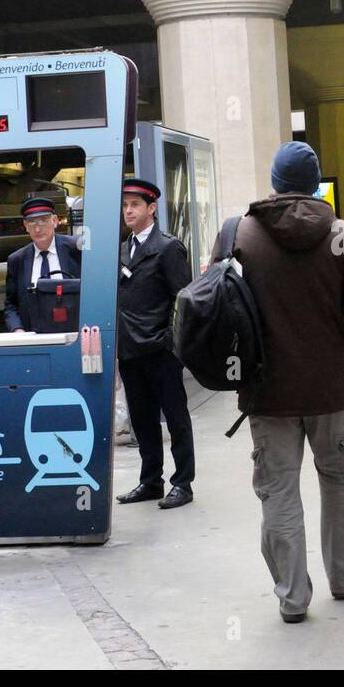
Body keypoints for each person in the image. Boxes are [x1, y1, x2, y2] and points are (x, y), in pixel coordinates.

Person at [216, 141, 344, 624]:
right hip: (331, 389)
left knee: (279, 491)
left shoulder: (239, 233)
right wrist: (339, 353)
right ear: (315, 186)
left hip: (267, 393)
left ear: (274, 181)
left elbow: (221, 309)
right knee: (340, 480)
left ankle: (292, 598)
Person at [115, 178, 196, 510]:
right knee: (142, 419)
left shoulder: (167, 248)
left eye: (135, 204)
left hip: (160, 351)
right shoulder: (122, 249)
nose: (128, 210)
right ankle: (151, 481)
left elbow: (184, 300)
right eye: (125, 205)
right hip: (131, 351)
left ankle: (183, 483)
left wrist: (169, 342)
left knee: (175, 416)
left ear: (152, 208)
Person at [4, 197, 83, 333]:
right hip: (33, 339)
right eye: (31, 222)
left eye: (43, 221)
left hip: (73, 336)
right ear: (25, 226)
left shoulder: (77, 250)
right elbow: (11, 304)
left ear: (55, 221)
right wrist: (17, 330)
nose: (38, 228)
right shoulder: (17, 260)